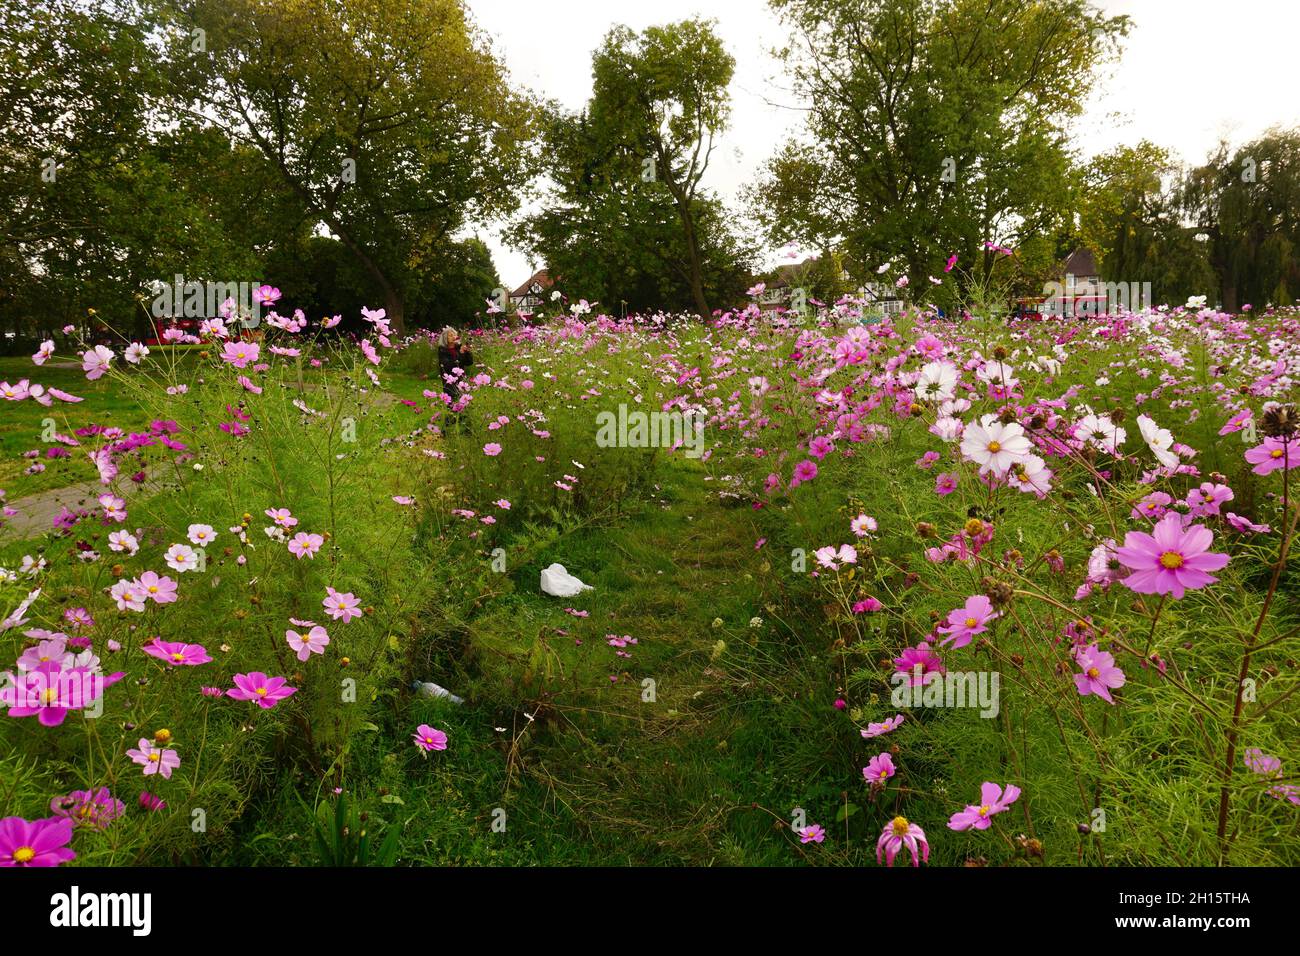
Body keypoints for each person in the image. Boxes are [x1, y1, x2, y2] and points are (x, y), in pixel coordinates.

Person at [436, 327, 473, 426]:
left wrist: (467, 352)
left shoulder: (458, 347)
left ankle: (465, 427)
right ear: (445, 338)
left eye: (454, 335)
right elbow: (448, 366)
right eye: (450, 335)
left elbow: (469, 362)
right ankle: (447, 429)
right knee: (451, 404)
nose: (453, 337)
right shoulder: (442, 350)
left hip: (461, 380)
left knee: (464, 403)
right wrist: (460, 354)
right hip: (449, 381)